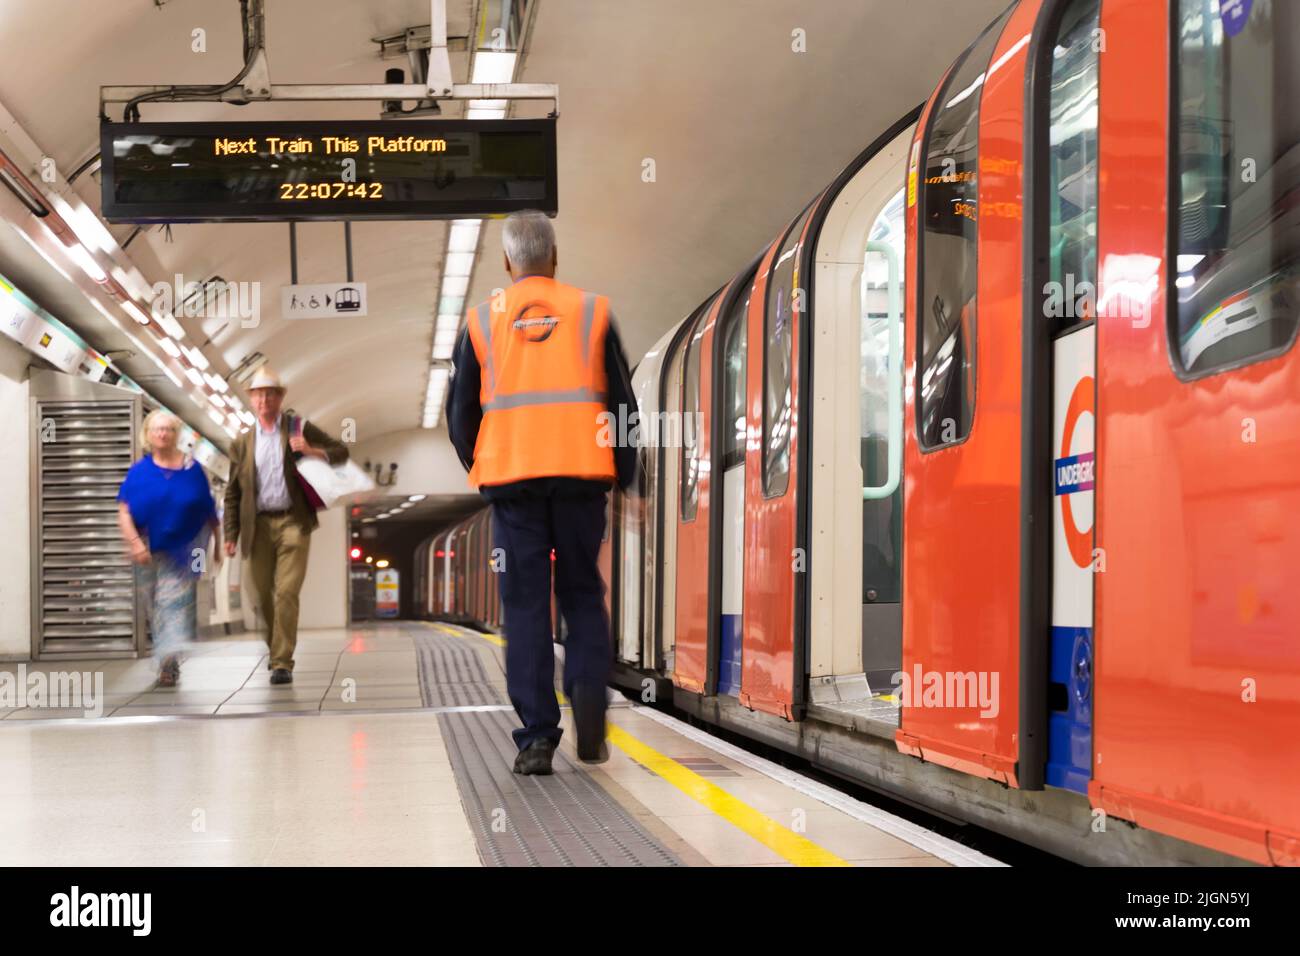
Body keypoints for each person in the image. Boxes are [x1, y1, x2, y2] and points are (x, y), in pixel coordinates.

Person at [447, 210, 637, 775]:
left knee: (525, 608)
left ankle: (536, 739)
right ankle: (590, 716)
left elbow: (460, 418)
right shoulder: (592, 311)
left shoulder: (482, 323)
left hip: (513, 486)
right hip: (581, 478)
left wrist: (482, 464)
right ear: (555, 257)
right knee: (583, 594)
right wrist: (628, 478)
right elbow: (622, 406)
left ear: (507, 263)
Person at [222, 367, 348, 684]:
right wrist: (230, 533)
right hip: (258, 525)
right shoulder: (241, 444)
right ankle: (275, 646)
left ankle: (282, 662)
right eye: (258, 394)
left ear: (280, 398)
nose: (264, 399)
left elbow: (341, 451)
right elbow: (232, 493)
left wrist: (311, 450)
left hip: (294, 520)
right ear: (251, 400)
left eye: (271, 393)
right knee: (261, 594)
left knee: (287, 592)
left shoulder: (298, 428)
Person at [117, 409, 222, 687]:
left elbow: (208, 511)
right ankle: (167, 653)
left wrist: (218, 545)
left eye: (168, 429)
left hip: (184, 550)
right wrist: (135, 542)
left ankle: (168, 662)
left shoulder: (193, 470)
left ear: (177, 435)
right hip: (147, 551)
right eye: (157, 429)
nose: (163, 434)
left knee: (171, 603)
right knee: (153, 604)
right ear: (148, 435)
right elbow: (124, 511)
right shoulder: (139, 472)